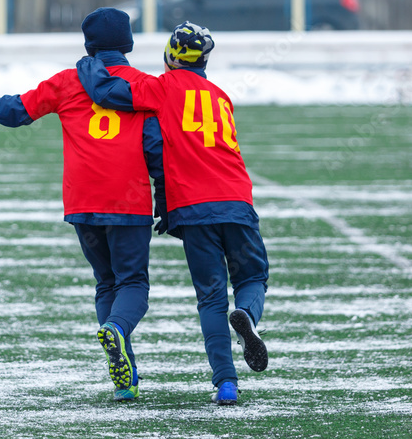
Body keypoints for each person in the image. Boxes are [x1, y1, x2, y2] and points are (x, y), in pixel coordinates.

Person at [0, 8, 165, 401]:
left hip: (83, 201)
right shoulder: (144, 86)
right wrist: (169, 196)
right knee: (133, 282)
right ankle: (118, 332)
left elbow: (16, 110)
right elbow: (158, 147)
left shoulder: (68, 82)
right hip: (129, 201)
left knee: (106, 283)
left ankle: (125, 378)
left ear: (88, 45)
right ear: (129, 43)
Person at [76, 21, 269, 406]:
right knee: (253, 276)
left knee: (210, 299)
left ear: (170, 55)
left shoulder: (160, 89)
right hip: (236, 200)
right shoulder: (221, 96)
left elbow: (109, 92)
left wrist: (89, 64)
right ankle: (247, 313)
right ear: (205, 60)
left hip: (193, 207)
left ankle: (226, 383)